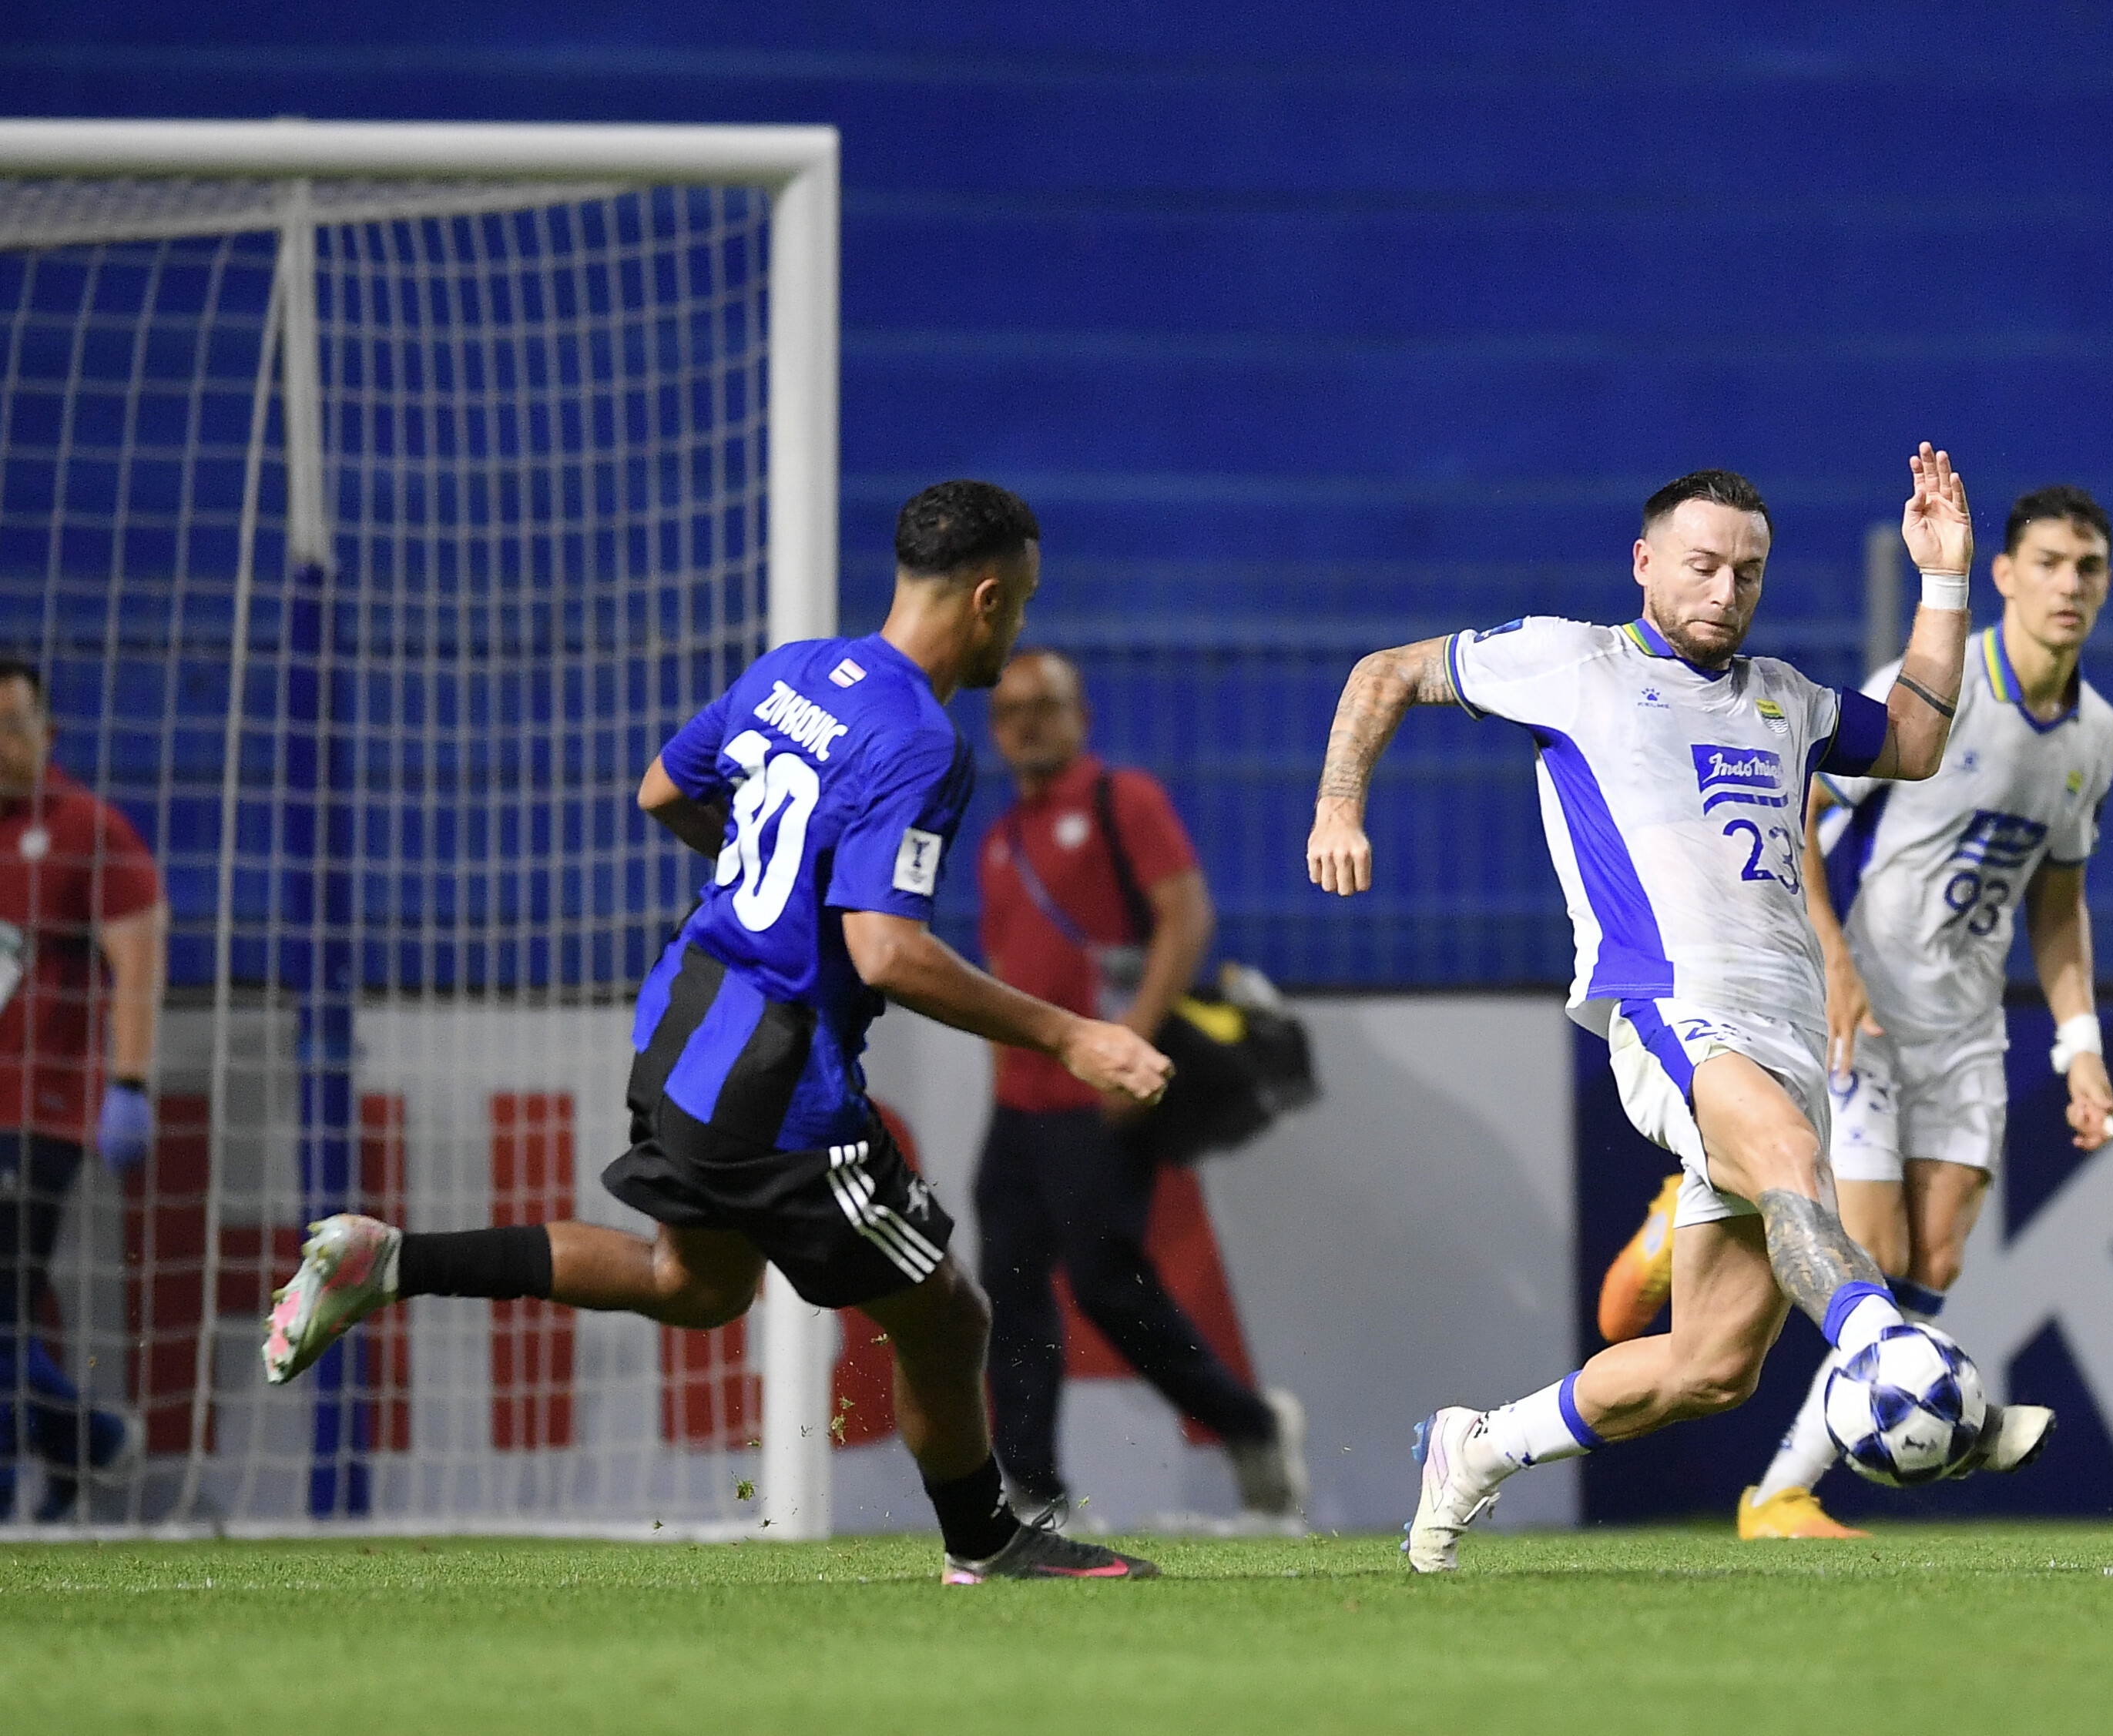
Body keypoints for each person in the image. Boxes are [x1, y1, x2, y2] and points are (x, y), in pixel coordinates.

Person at [262, 481, 1170, 1582]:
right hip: (779, 1078)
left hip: (683, 1016)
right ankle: (984, 1543)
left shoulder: (790, 671)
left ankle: (389, 1258)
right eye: (1020, 605)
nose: (1019, 626)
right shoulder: (921, 742)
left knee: (693, 1283)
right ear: (985, 598)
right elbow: (886, 951)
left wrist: (769, 895)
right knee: (948, 1311)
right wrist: (1071, 1035)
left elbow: (662, 789)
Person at [1307, 448, 2051, 1573]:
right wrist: (1338, 806)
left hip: (1788, 1028)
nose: (1725, 591)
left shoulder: (1785, 698)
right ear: (1645, 561)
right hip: (1671, 1007)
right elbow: (1385, 671)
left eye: (1747, 572)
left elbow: (1913, 740)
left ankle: (1478, 1443)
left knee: (1708, 1368)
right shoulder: (1574, 662)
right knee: (1800, 1160)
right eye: (1701, 565)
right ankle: (1892, 1355)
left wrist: (1943, 581)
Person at [1728, 484, 2113, 1537]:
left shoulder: (2096, 734)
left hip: (1966, 1025)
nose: (2067, 584)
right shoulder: (1940, 693)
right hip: (1864, 1008)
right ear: (2001, 575)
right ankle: (1777, 1496)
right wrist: (1834, 960)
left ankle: (1708, 1216)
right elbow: (1793, 814)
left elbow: (2058, 903)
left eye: (2087, 567)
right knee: (1870, 1257)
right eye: (2047, 562)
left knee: (1932, 1266)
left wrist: (2079, 1051)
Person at [974, 648, 1306, 1533]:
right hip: (1021, 1107)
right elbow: (1005, 972)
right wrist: (1002, 1085)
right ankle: (1033, 1492)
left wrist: (1130, 1042)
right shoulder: (1001, 839)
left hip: (1100, 1092)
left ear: (1081, 714)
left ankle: (1249, 1422)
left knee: (1105, 1285)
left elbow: (1186, 917)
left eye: (1043, 706)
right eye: (1009, 713)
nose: (1027, 725)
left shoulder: (1124, 801)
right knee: (1010, 1294)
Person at [0, 654, 164, 1523]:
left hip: (37, 1111)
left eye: (13, 724)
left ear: (47, 733)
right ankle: (85, 1440)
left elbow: (137, 950)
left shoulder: (82, 828)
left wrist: (128, 1083)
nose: (1, 744)